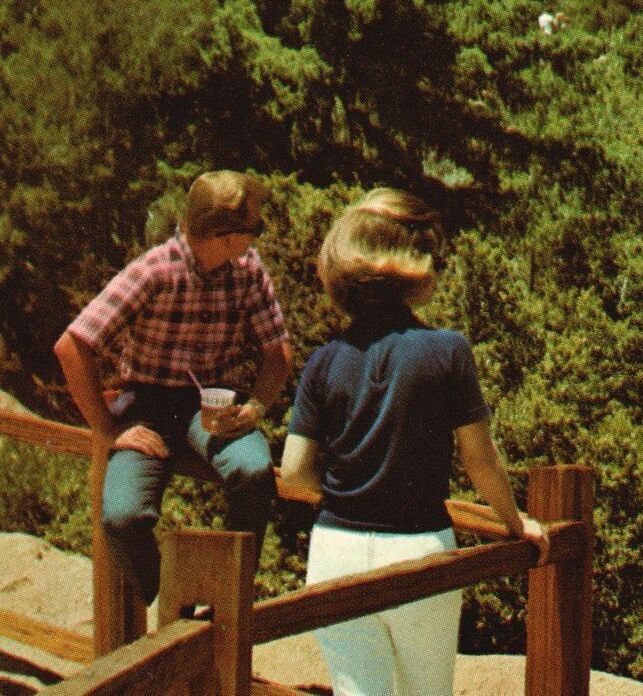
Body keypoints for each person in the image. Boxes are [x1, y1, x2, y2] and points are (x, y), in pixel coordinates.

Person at [280, 188, 546, 696]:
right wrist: (517, 524)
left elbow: (293, 474)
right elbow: (479, 459)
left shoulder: (324, 359)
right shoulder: (447, 351)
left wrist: (348, 494)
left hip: (334, 548)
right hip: (419, 549)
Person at [55, 170, 292, 606]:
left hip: (211, 403)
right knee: (123, 518)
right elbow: (72, 347)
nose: (258, 237)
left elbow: (279, 356)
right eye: (254, 228)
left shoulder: (247, 270)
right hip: (146, 403)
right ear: (224, 236)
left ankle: (227, 601)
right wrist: (109, 430)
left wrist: (256, 407)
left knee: (254, 471)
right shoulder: (154, 272)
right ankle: (170, 601)